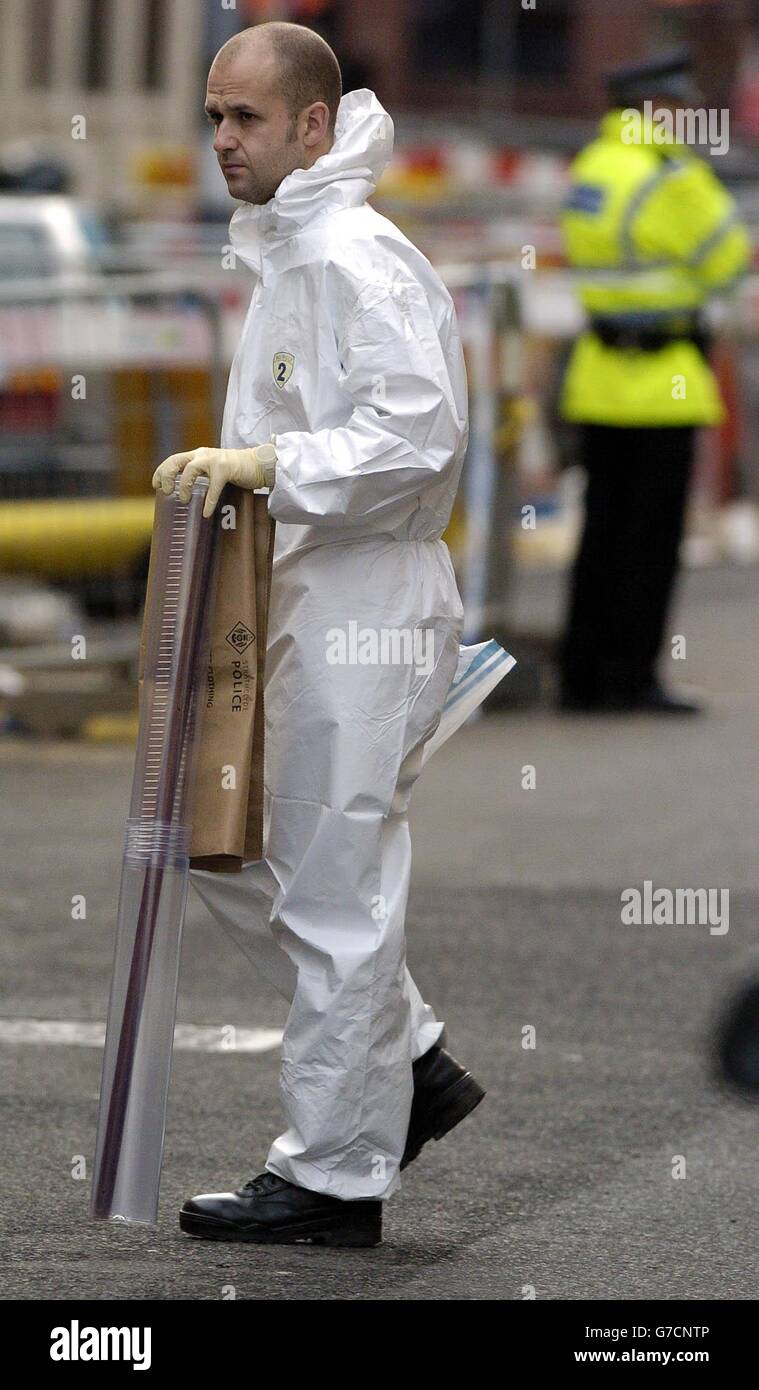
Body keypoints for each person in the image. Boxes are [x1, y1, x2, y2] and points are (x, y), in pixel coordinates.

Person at [152, 22, 485, 1248]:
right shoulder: (293, 247)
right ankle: (413, 1062)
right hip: (302, 586)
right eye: (214, 116)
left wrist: (269, 466)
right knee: (219, 848)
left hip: (362, 597)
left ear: (312, 125)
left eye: (245, 118)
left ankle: (338, 1173)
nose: (223, 141)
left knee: (334, 887)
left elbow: (417, 438)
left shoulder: (351, 254)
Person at [558, 50, 750, 713]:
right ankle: (631, 677)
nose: (686, 117)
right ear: (653, 109)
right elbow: (728, 259)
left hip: (596, 376)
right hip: (663, 380)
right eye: (677, 106)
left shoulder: (590, 166)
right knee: (649, 543)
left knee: (599, 535)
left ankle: (580, 676)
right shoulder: (671, 176)